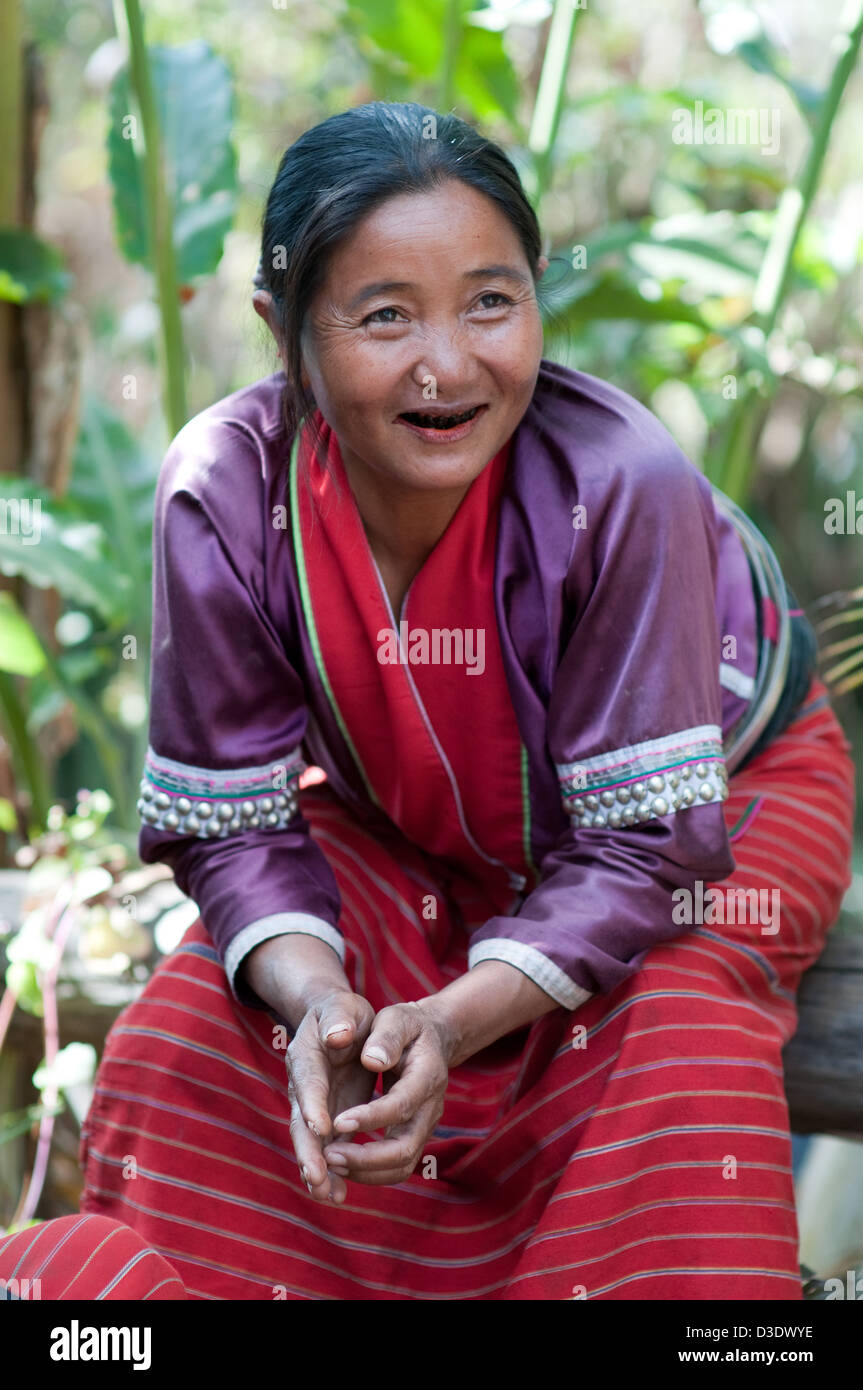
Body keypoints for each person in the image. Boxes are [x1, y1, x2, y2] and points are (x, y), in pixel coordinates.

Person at [73, 100, 853, 1301]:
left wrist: (446, 1020)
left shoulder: (619, 479)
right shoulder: (223, 496)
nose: (449, 361)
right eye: (384, 315)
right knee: (191, 1032)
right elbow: (233, 823)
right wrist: (322, 999)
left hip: (713, 802)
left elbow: (648, 849)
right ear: (281, 331)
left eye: (491, 301)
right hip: (402, 816)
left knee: (677, 1034)